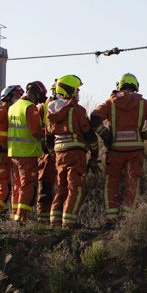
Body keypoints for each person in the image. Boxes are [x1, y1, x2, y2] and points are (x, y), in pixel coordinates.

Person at [90, 73, 147, 224]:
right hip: (135, 151)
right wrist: (144, 135)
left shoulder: (111, 102)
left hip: (115, 151)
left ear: (120, 85)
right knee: (132, 184)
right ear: (135, 86)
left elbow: (94, 118)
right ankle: (127, 220)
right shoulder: (143, 103)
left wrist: (105, 135)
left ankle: (111, 220)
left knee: (111, 183)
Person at [45, 75, 99, 228]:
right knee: (76, 187)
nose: (78, 92)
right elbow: (89, 135)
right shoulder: (77, 110)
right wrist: (94, 154)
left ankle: (54, 222)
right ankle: (69, 222)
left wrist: (53, 154)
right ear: (71, 90)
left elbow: (48, 136)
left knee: (60, 187)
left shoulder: (49, 110)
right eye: (77, 89)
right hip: (76, 153)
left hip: (59, 154)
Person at [7, 81, 48, 223]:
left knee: (17, 185)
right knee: (28, 185)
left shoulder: (13, 107)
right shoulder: (30, 107)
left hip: (14, 152)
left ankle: (15, 215)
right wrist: (50, 130)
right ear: (35, 94)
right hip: (27, 153)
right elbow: (36, 131)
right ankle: (21, 217)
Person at [0, 84, 23, 225]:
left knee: (4, 186)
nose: (19, 99)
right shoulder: (1, 110)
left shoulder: (12, 112)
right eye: (17, 96)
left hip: (8, 154)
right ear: (9, 97)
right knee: (2, 188)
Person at [34, 80, 58, 218]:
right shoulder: (43, 108)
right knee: (45, 183)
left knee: (58, 184)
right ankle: (43, 215)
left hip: (59, 151)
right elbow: (36, 131)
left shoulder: (64, 106)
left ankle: (53, 216)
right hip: (46, 153)